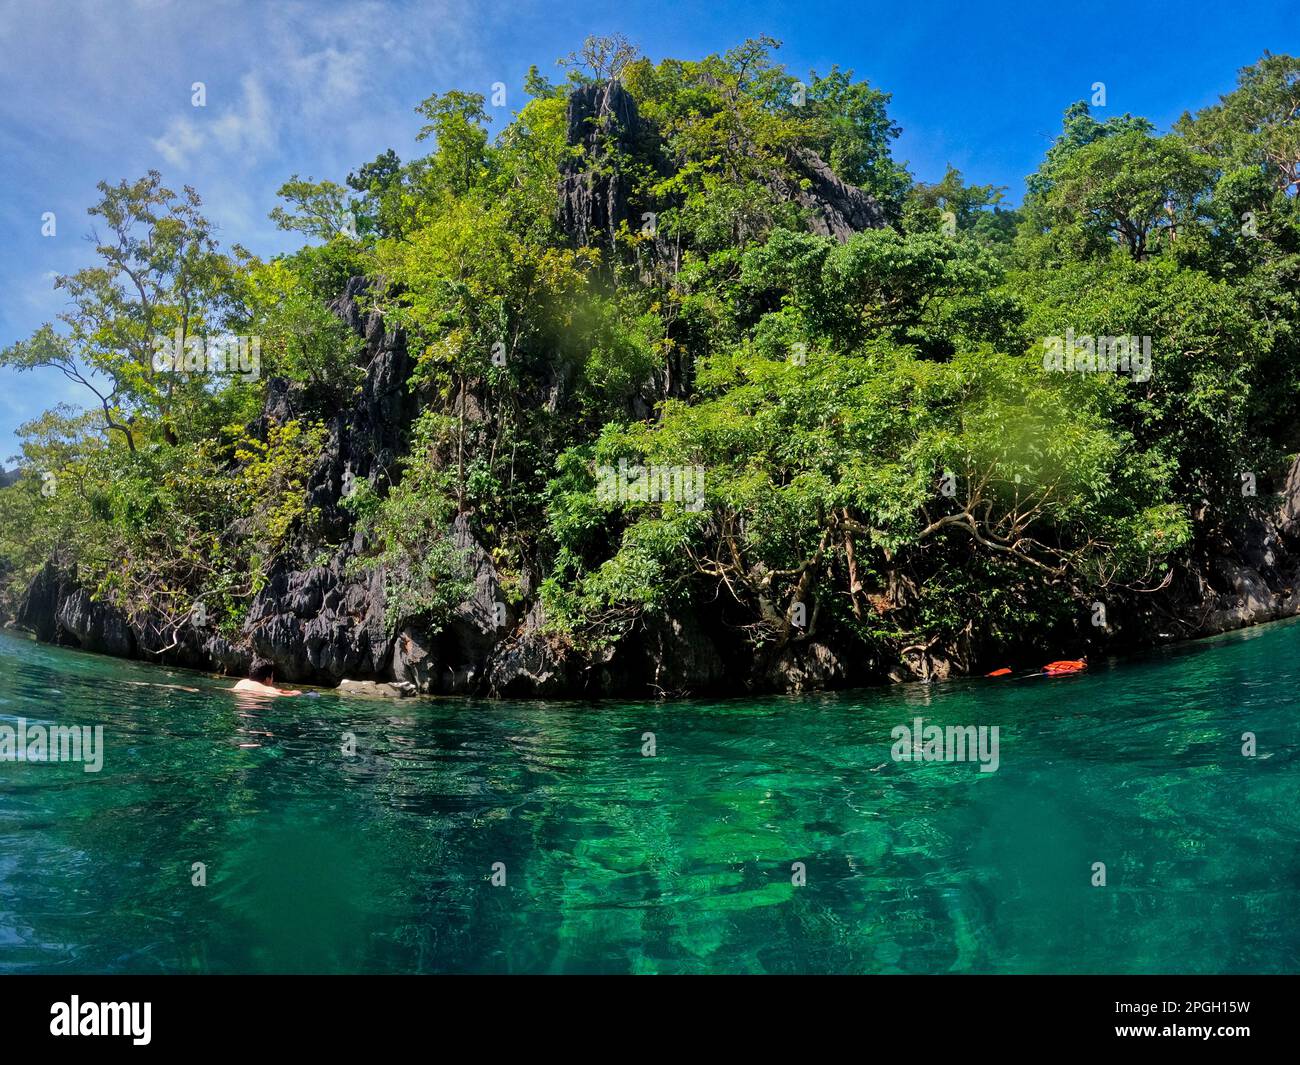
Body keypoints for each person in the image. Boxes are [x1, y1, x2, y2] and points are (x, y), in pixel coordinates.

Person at [232, 661, 302, 697]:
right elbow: (289, 696)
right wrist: (298, 693)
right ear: (267, 679)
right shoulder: (268, 689)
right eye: (272, 676)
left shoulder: (242, 682)